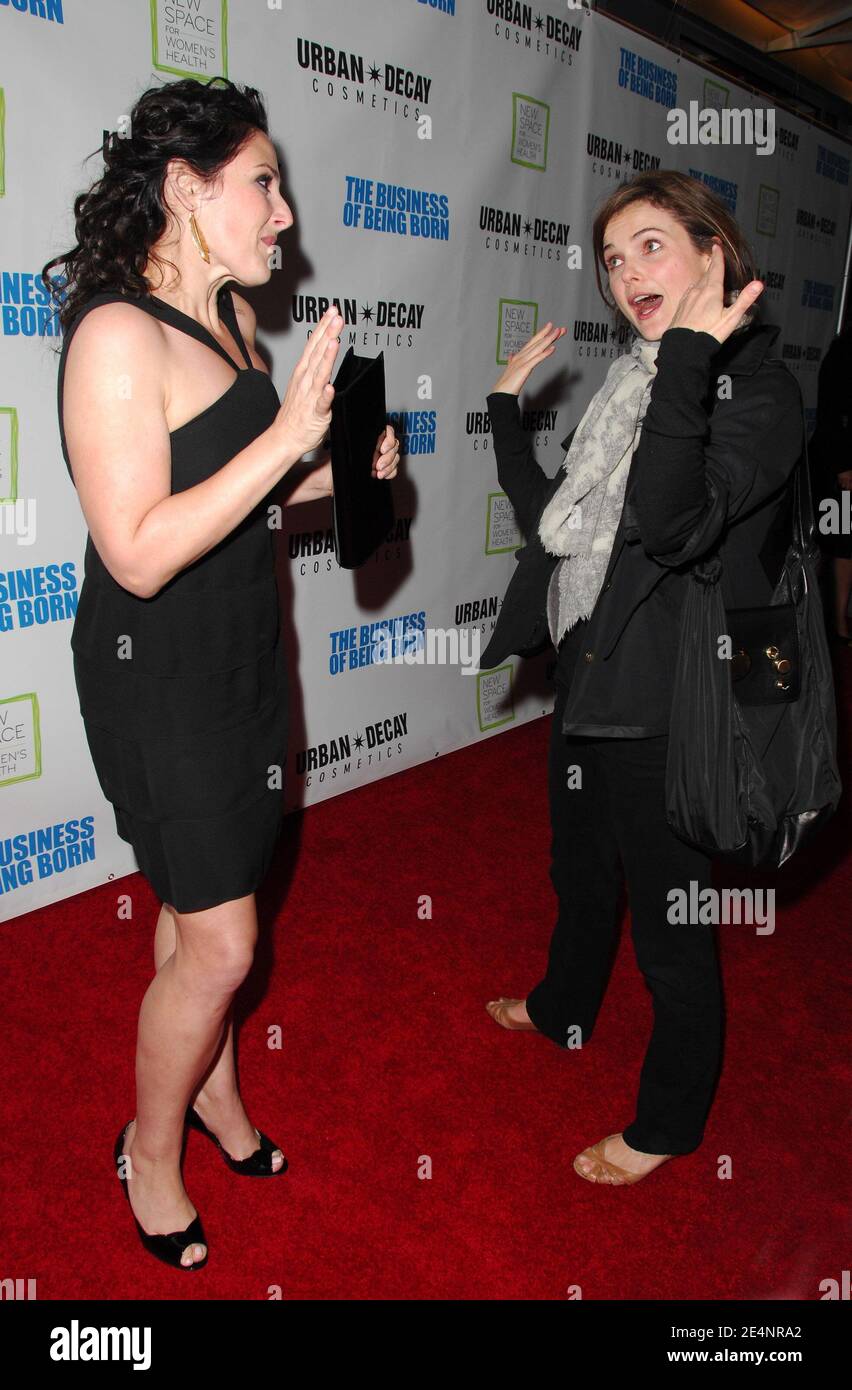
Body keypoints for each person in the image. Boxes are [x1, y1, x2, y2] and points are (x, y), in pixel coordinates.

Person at [42, 76, 399, 1269]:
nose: (285, 211)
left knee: (206, 910)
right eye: (264, 183)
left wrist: (336, 467)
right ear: (188, 192)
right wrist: (288, 443)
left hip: (245, 653)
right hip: (160, 672)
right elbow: (139, 549)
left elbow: (237, 504)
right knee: (228, 943)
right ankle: (150, 1150)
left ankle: (216, 1094)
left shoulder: (233, 326)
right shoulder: (113, 333)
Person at [481, 170, 805, 1186]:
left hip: (673, 696)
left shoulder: (755, 391)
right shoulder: (636, 381)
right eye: (614, 258)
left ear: (715, 253)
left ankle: (670, 1124)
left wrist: (693, 360)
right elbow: (556, 523)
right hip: (592, 664)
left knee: (674, 924)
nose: (626, 273)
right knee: (576, 864)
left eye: (652, 246)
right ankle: (565, 1002)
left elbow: (668, 522)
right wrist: (501, 410)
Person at [806, 321, 852, 647]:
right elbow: (831, 414)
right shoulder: (844, 351)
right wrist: (843, 467)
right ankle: (830, 625)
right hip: (838, 473)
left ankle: (835, 622)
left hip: (842, 470)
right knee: (833, 544)